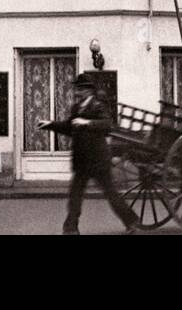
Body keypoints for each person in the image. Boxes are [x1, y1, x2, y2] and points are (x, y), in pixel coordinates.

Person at [40, 73, 141, 235]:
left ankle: (131, 221)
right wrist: (51, 125)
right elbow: (69, 127)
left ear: (88, 91)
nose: (76, 92)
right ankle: (71, 228)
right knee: (75, 196)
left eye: (79, 89)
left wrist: (87, 123)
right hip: (81, 161)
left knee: (110, 193)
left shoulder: (98, 106)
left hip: (98, 160)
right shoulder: (76, 108)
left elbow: (107, 125)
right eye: (76, 89)